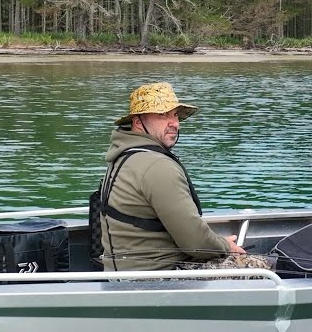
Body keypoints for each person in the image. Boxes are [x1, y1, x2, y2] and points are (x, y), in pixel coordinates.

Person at [96, 82, 246, 271]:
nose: (174, 123)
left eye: (175, 115)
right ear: (138, 122)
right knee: (264, 270)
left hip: (123, 273)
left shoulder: (122, 157)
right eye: (162, 115)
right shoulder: (157, 165)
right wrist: (225, 246)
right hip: (157, 278)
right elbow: (195, 243)